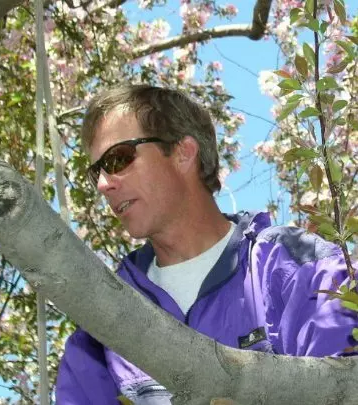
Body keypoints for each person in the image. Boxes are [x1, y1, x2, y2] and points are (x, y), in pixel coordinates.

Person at [55, 84, 357, 404]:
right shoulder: (102, 323)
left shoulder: (295, 267)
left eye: (118, 159)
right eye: (96, 172)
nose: (104, 184)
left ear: (184, 152)